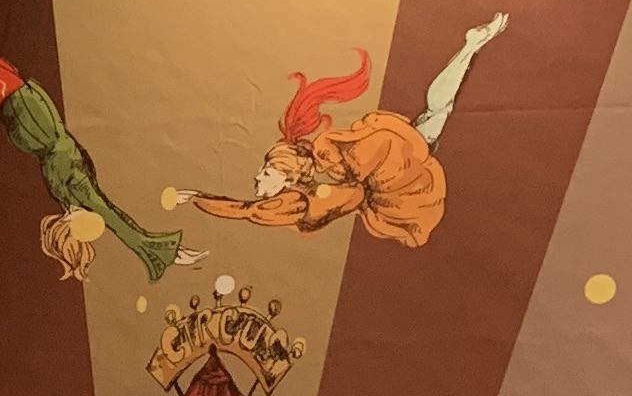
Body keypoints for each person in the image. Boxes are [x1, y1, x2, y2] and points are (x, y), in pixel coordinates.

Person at [193, 18, 508, 250]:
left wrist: (197, 199)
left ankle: (469, 46)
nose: (257, 178)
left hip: (390, 177)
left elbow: (247, 211)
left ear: (287, 176)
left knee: (435, 114)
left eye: (266, 172)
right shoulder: (315, 182)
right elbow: (249, 210)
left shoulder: (301, 197)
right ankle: (469, 47)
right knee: (435, 113)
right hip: (384, 177)